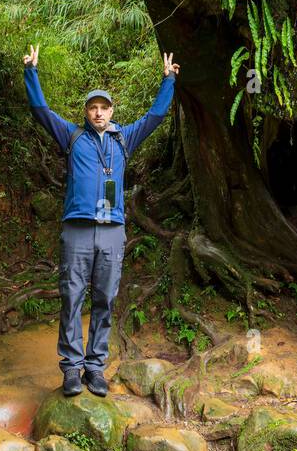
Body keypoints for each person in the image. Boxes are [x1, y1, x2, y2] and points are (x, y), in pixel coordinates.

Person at [23, 44, 180, 397]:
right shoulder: (72, 136)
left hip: (112, 231)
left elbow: (155, 117)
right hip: (77, 229)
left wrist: (167, 80)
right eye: (92, 107)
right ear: (85, 111)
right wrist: (31, 72)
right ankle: (71, 369)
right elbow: (40, 110)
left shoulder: (124, 138)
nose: (98, 112)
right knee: (72, 298)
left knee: (105, 298)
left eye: (103, 107)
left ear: (111, 111)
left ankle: (95, 368)